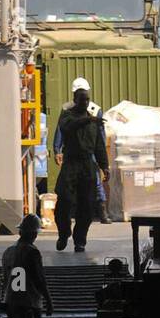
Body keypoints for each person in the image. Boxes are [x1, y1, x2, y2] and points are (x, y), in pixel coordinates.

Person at [53, 77, 109, 253]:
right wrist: (57, 150)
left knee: (86, 206)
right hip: (71, 164)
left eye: (87, 99)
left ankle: (80, 241)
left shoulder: (93, 121)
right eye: (82, 99)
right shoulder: (68, 115)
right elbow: (66, 128)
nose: (85, 102)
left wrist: (104, 166)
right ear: (75, 100)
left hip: (87, 165)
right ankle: (64, 233)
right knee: (64, 202)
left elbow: (99, 144)